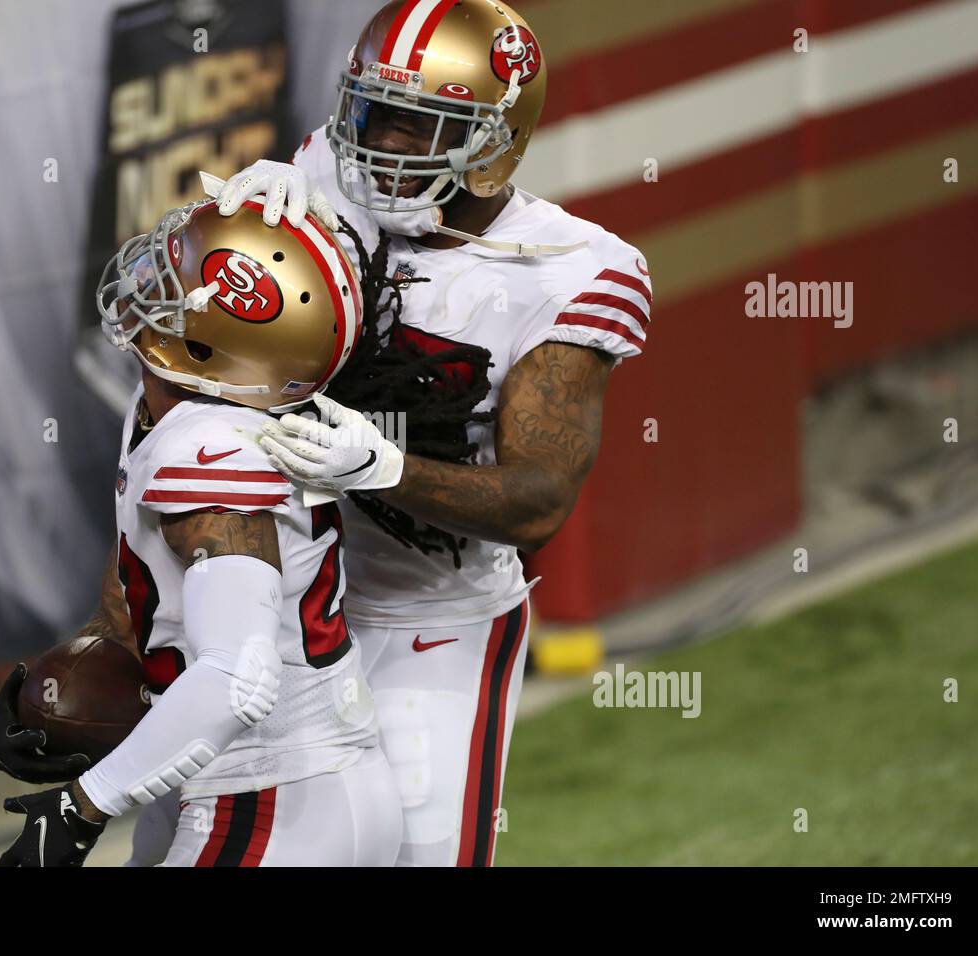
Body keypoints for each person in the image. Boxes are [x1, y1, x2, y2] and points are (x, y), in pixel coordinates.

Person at [215, 0, 653, 866]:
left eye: (424, 126)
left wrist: (380, 466)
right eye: (376, 115)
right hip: (284, 609)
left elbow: (538, 503)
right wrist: (232, 247)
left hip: (428, 623)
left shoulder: (574, 271)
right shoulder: (319, 175)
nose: (387, 146)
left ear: (496, 140)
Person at [0, 196, 401, 866]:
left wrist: (80, 809)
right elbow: (145, 603)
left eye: (177, 279)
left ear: (218, 339)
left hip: (271, 800)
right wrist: (50, 698)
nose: (152, 282)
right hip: (269, 786)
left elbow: (239, 677)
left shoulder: (210, 446)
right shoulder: (177, 408)